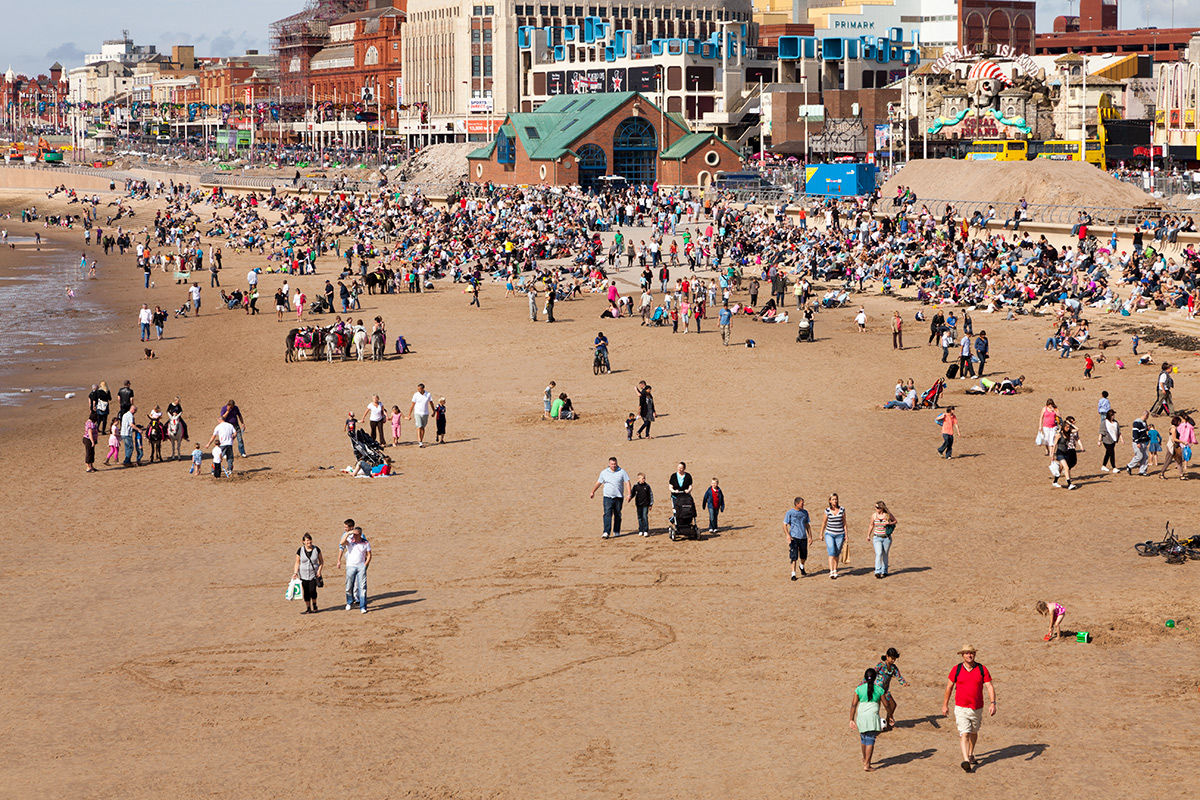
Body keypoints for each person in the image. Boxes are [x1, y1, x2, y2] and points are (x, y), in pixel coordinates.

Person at [941, 645, 995, 773]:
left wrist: (993, 703)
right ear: (962, 655)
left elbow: (989, 686)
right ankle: (965, 760)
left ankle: (971, 754)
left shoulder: (982, 669)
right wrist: (945, 704)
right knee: (964, 733)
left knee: (974, 732)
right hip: (961, 708)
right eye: (966, 653)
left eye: (971, 653)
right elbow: (949, 687)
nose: (969, 655)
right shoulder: (957, 669)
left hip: (977, 708)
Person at [850, 667, 885, 772]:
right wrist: (890, 715)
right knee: (870, 740)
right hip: (872, 717)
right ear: (875, 678)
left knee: (863, 738)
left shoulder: (859, 689)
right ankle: (867, 764)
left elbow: (853, 705)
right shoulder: (879, 689)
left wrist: (851, 719)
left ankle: (864, 758)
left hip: (861, 717)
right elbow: (886, 704)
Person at [589, 456, 631, 539]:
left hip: (618, 497)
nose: (614, 465)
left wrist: (629, 494)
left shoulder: (622, 472)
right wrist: (593, 491)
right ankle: (606, 532)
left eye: (615, 464)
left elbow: (627, 483)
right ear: (609, 464)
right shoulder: (604, 472)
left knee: (617, 514)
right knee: (607, 514)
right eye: (612, 464)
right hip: (607, 497)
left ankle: (616, 531)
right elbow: (599, 482)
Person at [336, 526, 371, 613]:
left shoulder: (365, 543)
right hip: (350, 566)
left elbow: (369, 555)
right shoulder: (350, 541)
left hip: (361, 567)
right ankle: (349, 602)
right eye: (353, 535)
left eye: (355, 535)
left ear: (360, 535)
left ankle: (363, 606)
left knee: (362, 587)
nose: (354, 537)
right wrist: (348, 533)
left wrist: (365, 565)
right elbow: (341, 543)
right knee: (349, 585)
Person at [873, 648, 908, 728]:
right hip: (877, 690)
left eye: (894, 659)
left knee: (893, 705)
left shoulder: (893, 668)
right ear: (887, 656)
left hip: (885, 691)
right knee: (876, 709)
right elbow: (873, 673)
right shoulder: (881, 665)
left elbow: (899, 677)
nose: (893, 660)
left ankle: (888, 721)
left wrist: (903, 683)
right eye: (892, 658)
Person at [292, 534, 325, 614]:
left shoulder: (316, 549)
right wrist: (295, 573)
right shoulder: (300, 550)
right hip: (303, 575)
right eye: (307, 540)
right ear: (303, 542)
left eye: (310, 540)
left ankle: (314, 605)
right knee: (306, 592)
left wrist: (319, 571)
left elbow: (321, 562)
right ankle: (308, 608)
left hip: (314, 574)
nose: (309, 542)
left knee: (313, 590)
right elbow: (297, 563)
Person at [867, 501, 897, 579]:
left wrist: (889, 523)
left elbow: (895, 521)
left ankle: (885, 570)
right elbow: (871, 525)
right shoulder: (874, 515)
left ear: (881, 508)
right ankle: (877, 571)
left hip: (886, 538)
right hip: (877, 537)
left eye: (877, 507)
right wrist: (868, 535)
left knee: (885, 554)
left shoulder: (887, 515)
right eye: (875, 507)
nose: (876, 509)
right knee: (879, 553)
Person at [785, 496, 811, 580]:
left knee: (803, 556)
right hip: (794, 537)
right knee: (794, 556)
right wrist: (788, 535)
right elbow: (784, 525)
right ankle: (793, 574)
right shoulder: (790, 513)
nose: (803, 505)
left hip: (803, 537)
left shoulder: (805, 513)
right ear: (797, 504)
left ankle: (801, 566)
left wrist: (810, 536)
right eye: (802, 503)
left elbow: (807, 525)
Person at [823, 493, 847, 580]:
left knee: (837, 553)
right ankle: (831, 571)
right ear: (830, 501)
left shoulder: (842, 510)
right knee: (831, 551)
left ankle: (835, 569)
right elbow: (824, 523)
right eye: (833, 499)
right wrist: (821, 533)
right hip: (829, 533)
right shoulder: (827, 511)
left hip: (840, 534)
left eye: (836, 499)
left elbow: (844, 523)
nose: (835, 501)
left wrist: (846, 535)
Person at [1052, 417, 1079, 489]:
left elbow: (1077, 429)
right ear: (1063, 427)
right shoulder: (1059, 434)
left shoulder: (1068, 432)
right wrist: (1052, 455)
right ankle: (1069, 484)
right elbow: (1054, 445)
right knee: (1066, 467)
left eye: (1069, 427)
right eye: (1067, 427)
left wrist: (1070, 424)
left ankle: (1055, 482)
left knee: (1060, 468)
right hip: (1060, 453)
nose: (1068, 428)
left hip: (1066, 453)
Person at [1159, 415, 1188, 480]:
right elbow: (1174, 439)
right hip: (1172, 447)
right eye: (1179, 422)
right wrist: (1183, 442)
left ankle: (1181, 475)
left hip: (1176, 447)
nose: (1180, 423)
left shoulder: (1174, 428)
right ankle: (1161, 473)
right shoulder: (1173, 428)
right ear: (1177, 422)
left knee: (1179, 461)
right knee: (1168, 460)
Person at [408, 383, 434, 447]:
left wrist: (434, 411)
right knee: (419, 426)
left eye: (419, 389)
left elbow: (431, 403)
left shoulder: (428, 394)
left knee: (423, 427)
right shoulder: (415, 395)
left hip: (425, 413)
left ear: (423, 389)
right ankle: (419, 441)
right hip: (417, 413)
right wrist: (409, 414)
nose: (418, 390)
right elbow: (412, 405)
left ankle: (421, 440)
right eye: (418, 389)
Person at [1126, 410, 1151, 475]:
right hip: (1138, 442)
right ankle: (1129, 466)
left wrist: (1147, 430)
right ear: (1146, 415)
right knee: (1139, 456)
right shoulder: (1137, 422)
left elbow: (1143, 431)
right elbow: (1135, 433)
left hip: (1143, 442)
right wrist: (1137, 442)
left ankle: (1142, 471)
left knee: (1145, 456)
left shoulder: (1144, 422)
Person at [631, 472, 654, 537]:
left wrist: (651, 504)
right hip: (638, 504)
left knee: (645, 516)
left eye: (644, 478)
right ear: (638, 479)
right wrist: (629, 497)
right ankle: (641, 530)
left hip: (645, 504)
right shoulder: (636, 486)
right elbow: (632, 494)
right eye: (642, 479)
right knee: (639, 517)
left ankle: (646, 530)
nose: (643, 480)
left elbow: (651, 495)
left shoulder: (647, 486)